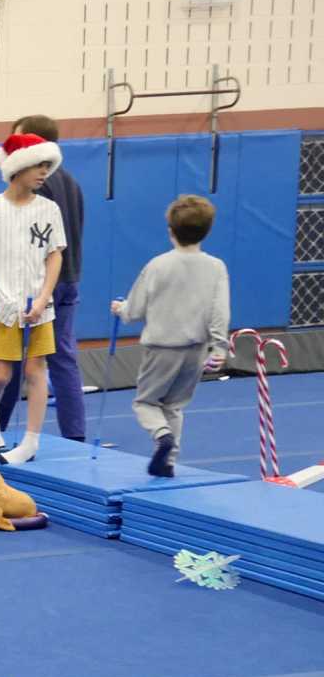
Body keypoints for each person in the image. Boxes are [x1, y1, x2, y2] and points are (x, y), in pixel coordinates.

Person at [0, 131, 67, 465]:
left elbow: (55, 255)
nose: (44, 172)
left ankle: (31, 441)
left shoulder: (49, 209)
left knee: (36, 371)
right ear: (16, 168)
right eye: (37, 165)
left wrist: (44, 297)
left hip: (39, 308)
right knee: (2, 376)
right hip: (3, 307)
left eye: (47, 166)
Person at [111, 195, 229, 477]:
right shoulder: (216, 267)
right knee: (175, 404)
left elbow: (136, 308)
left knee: (145, 402)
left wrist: (120, 310)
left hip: (162, 348)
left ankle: (162, 436)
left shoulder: (158, 265)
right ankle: (168, 460)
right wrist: (219, 348)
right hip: (196, 349)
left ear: (171, 231)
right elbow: (219, 311)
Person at [0, 115, 88, 440]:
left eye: (18, 142)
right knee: (62, 355)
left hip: (41, 282)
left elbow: (38, 240)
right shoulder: (70, 181)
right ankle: (74, 433)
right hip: (68, 277)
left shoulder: (38, 185)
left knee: (16, 356)